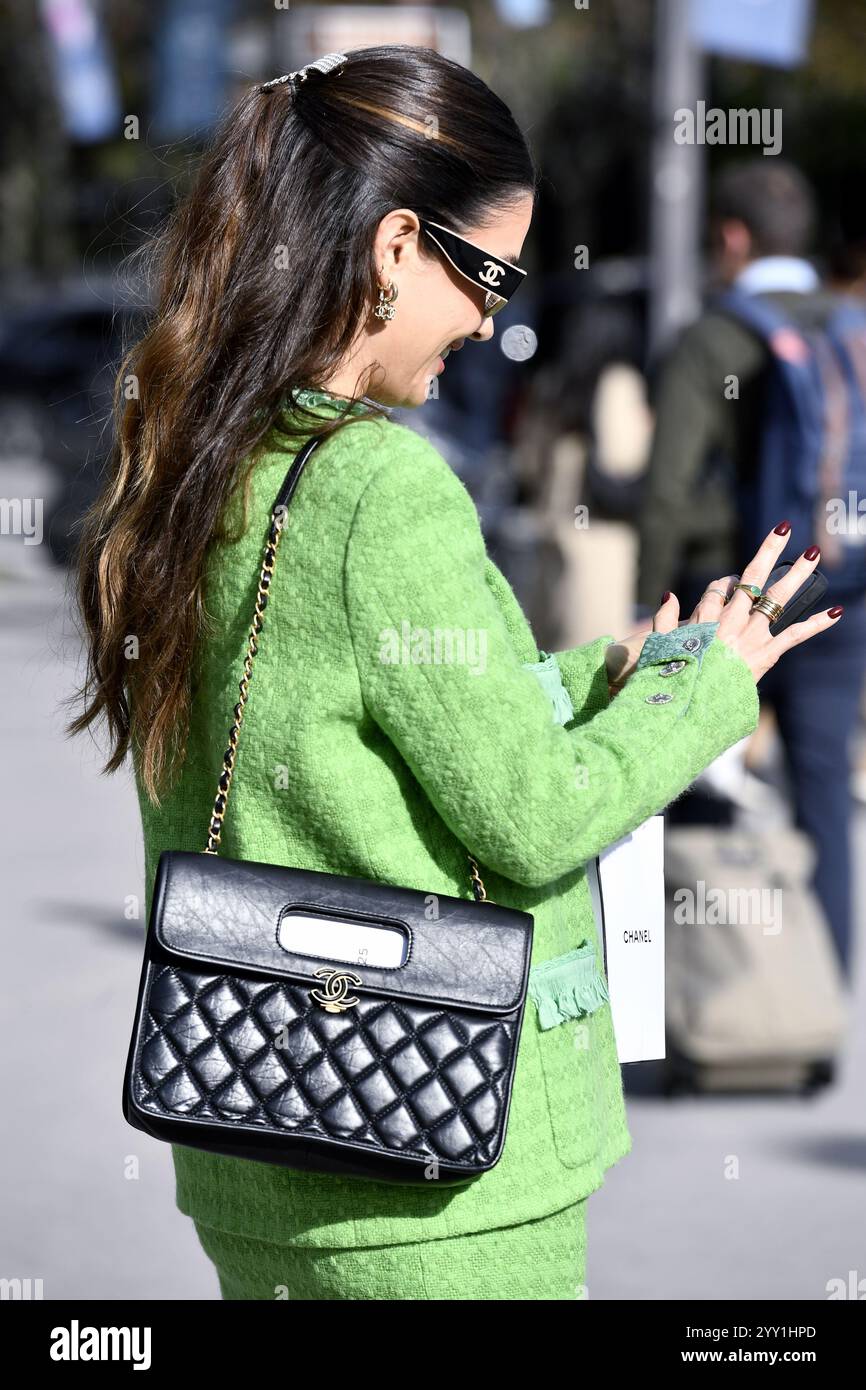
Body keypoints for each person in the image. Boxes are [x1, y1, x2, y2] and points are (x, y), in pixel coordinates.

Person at [69, 48, 841, 1301]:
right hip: (437, 1180)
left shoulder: (199, 466)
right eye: (482, 273)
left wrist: (607, 673)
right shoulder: (383, 487)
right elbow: (531, 819)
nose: (489, 316)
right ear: (391, 249)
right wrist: (709, 684)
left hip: (258, 1146)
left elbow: (369, 721)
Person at [637, 159, 866, 980]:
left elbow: (665, 489)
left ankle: (702, 994)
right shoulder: (847, 320)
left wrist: (651, 606)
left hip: (729, 600)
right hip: (837, 595)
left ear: (732, 238)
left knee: (680, 776)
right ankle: (822, 996)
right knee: (823, 792)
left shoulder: (712, 336)